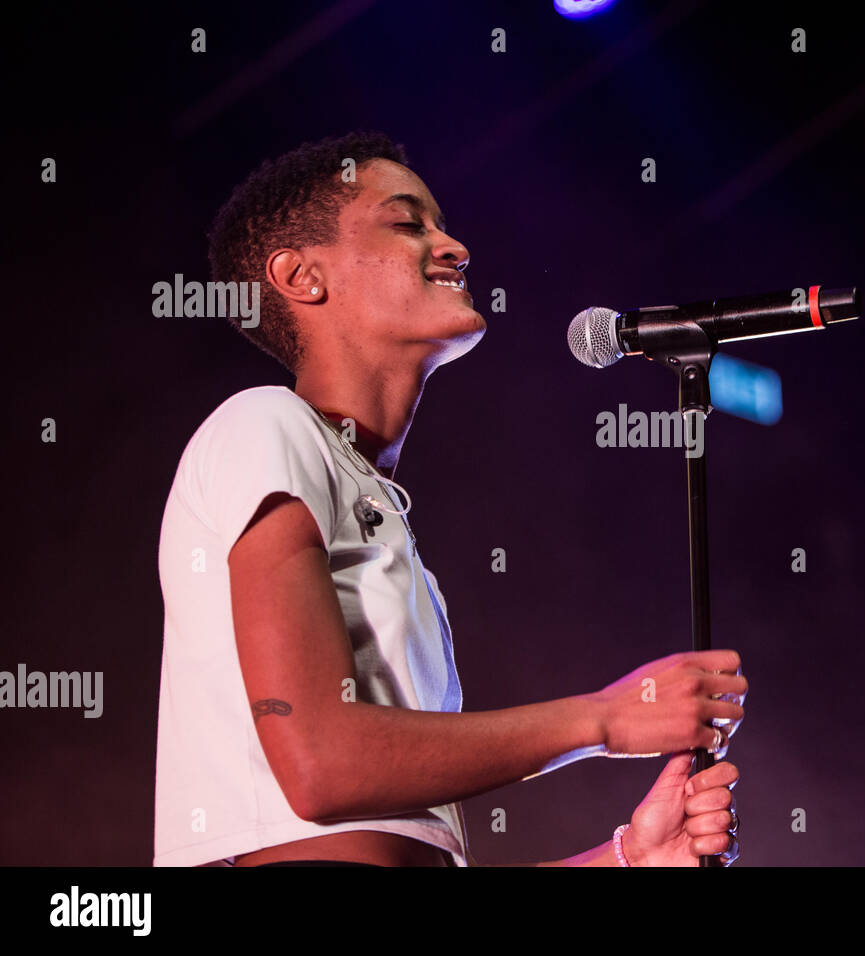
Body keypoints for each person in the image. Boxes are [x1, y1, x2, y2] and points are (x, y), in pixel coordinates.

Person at [153, 131, 746, 867]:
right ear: (300, 276)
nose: (455, 245)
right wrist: (606, 719)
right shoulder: (264, 423)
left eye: (440, 223)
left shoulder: (383, 515)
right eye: (408, 223)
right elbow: (320, 767)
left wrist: (628, 858)